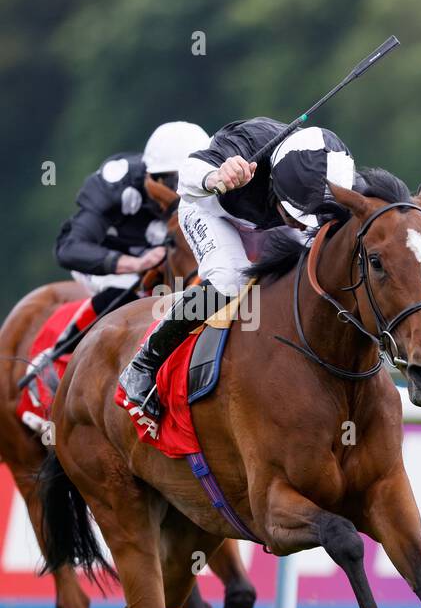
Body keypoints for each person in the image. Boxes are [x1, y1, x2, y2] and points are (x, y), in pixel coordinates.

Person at [117, 118, 356, 422]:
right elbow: (187, 176)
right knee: (230, 280)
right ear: (277, 182)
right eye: (297, 214)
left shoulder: (331, 170)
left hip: (267, 220)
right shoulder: (249, 139)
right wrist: (216, 175)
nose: (301, 223)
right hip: (211, 210)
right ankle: (144, 365)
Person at [53, 121, 210, 315]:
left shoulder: (211, 188)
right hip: (110, 265)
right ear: (154, 177)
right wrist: (136, 264)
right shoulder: (117, 185)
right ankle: (63, 346)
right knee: (125, 297)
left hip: (165, 264)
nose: (186, 189)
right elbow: (69, 248)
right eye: (177, 180)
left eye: (196, 177)